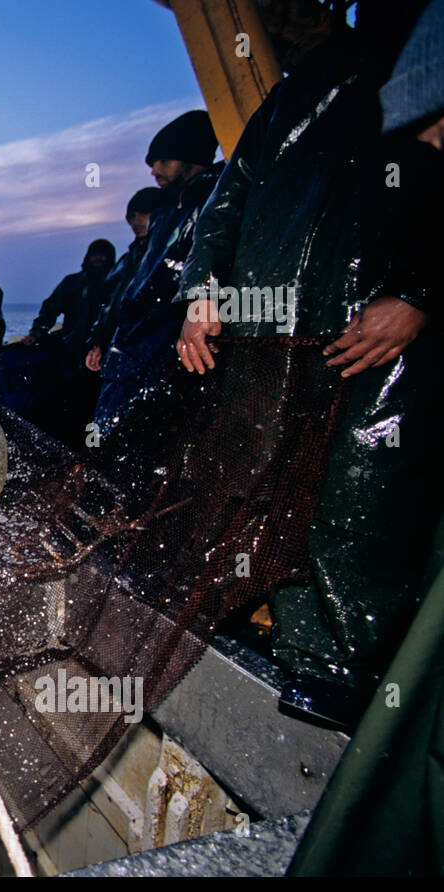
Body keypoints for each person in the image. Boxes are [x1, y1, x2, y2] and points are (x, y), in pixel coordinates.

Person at [175, 3, 440, 730]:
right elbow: (229, 201)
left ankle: (348, 666)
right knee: (263, 475)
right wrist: (202, 295)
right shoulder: (303, 84)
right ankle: (286, 637)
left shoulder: (430, 52)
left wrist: (419, 295)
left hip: (377, 327)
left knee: (365, 480)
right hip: (270, 334)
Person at [93, 110, 221, 431]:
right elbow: (136, 288)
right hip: (133, 348)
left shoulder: (215, 203)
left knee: (153, 436)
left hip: (171, 348)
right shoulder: (166, 214)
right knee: (111, 434)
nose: (153, 170)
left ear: (190, 156)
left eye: (163, 160)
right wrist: (105, 340)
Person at [86, 187, 169, 372]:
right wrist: (99, 343)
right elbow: (107, 307)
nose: (136, 220)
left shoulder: (167, 255)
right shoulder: (126, 262)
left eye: (144, 213)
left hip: (153, 351)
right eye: (131, 216)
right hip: (121, 351)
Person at [26, 238, 116, 359]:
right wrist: (36, 333)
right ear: (88, 257)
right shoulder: (73, 282)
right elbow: (50, 309)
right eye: (94, 255)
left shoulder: (118, 283)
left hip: (107, 347)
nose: (98, 258)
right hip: (74, 346)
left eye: (103, 255)